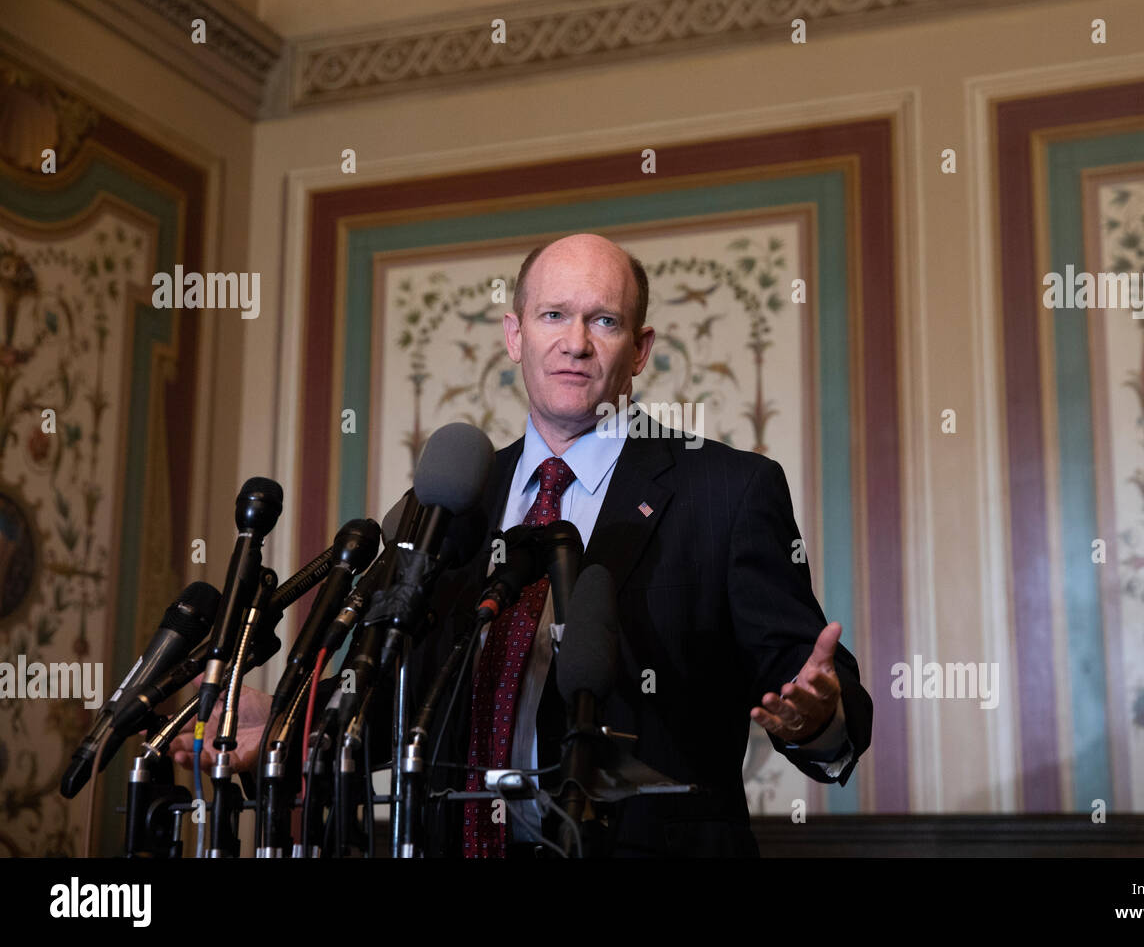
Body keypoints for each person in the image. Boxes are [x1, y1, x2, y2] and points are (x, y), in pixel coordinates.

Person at [173, 233, 873, 857]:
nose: (576, 342)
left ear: (641, 349)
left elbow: (806, 673)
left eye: (604, 320)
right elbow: (401, 688)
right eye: (553, 316)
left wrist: (818, 716)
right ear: (514, 336)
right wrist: (287, 718)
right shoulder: (449, 501)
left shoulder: (727, 490)